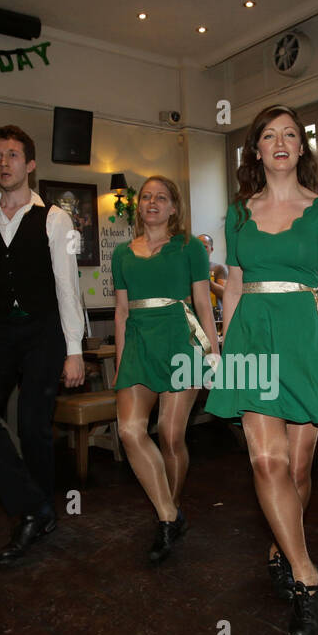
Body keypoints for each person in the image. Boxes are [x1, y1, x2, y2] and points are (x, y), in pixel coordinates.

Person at [205, 105, 318, 635]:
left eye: (290, 135)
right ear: (255, 149)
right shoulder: (238, 212)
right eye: (268, 135)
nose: (280, 142)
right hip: (253, 336)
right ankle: (307, 575)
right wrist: (225, 350)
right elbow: (232, 286)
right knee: (265, 458)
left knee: (300, 468)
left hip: (307, 336)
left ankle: (283, 545)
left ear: (302, 148)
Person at [0, 124, 85, 566]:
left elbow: (67, 286)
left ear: (30, 164)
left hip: (43, 329)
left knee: (33, 424)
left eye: (12, 155)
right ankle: (35, 505)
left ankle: (36, 514)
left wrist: (75, 349)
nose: (3, 162)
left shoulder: (54, 217)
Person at [113, 177, 219, 563]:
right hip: (139, 344)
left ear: (174, 207)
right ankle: (169, 515)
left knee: (171, 435)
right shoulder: (122, 253)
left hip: (180, 340)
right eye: (146, 197)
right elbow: (122, 311)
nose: (152, 202)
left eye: (161, 197)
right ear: (138, 206)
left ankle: (168, 512)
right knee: (129, 430)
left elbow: (204, 304)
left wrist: (213, 355)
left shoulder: (190, 247)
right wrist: (122, 362)